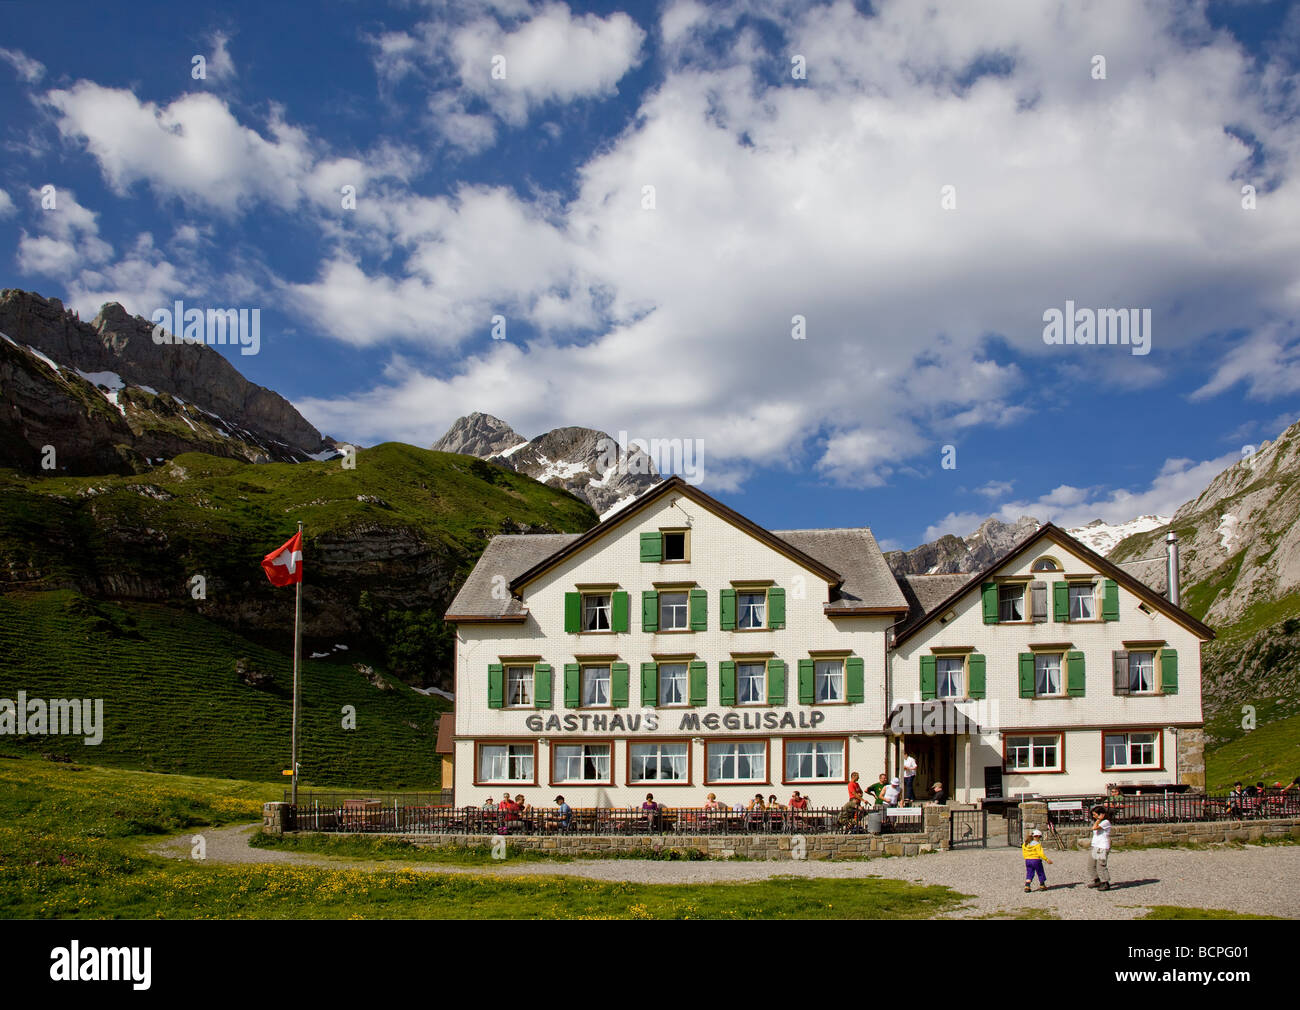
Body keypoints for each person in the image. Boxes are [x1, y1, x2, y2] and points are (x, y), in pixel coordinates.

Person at [1087, 804, 1112, 891]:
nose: (1094, 816)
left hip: (1102, 846)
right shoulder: (1098, 821)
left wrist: (1099, 819)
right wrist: (1097, 820)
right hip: (1095, 846)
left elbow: (1094, 828)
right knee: (1091, 865)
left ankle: (1105, 882)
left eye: (1095, 814)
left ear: (1101, 814)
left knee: (1101, 865)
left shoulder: (1106, 822)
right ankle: (1096, 880)